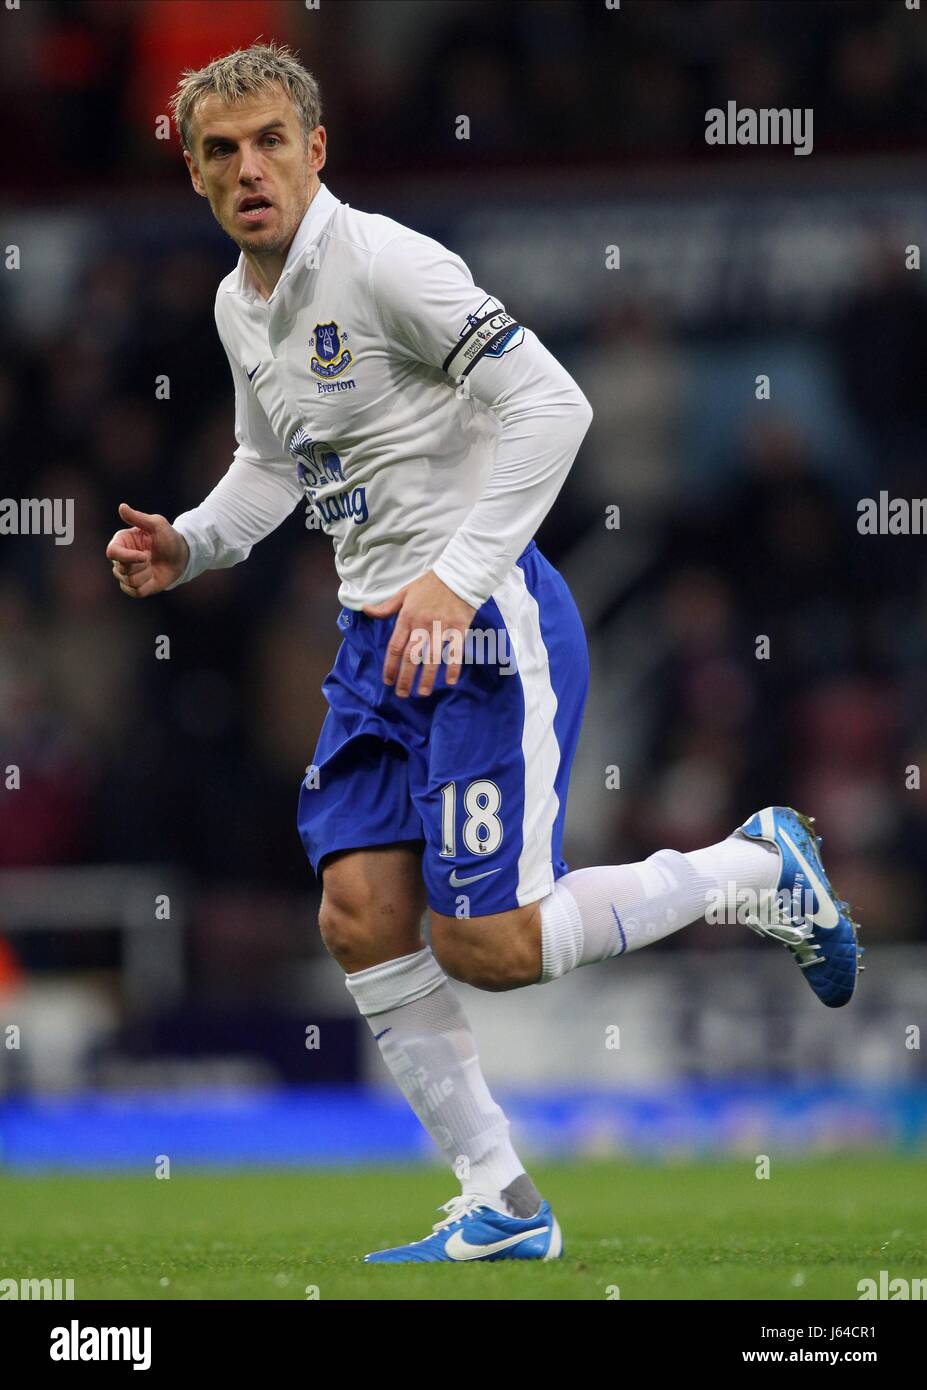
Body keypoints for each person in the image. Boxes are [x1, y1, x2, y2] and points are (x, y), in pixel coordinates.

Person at [106, 42, 861, 1264]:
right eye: (220, 151)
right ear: (194, 176)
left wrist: (454, 583)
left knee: (490, 946)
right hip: (375, 642)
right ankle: (504, 1198)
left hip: (486, 618)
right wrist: (187, 545)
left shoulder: (387, 263)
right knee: (358, 912)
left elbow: (555, 404)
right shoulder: (237, 308)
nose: (249, 168)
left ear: (316, 150)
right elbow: (270, 467)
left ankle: (751, 867)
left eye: (269, 142)